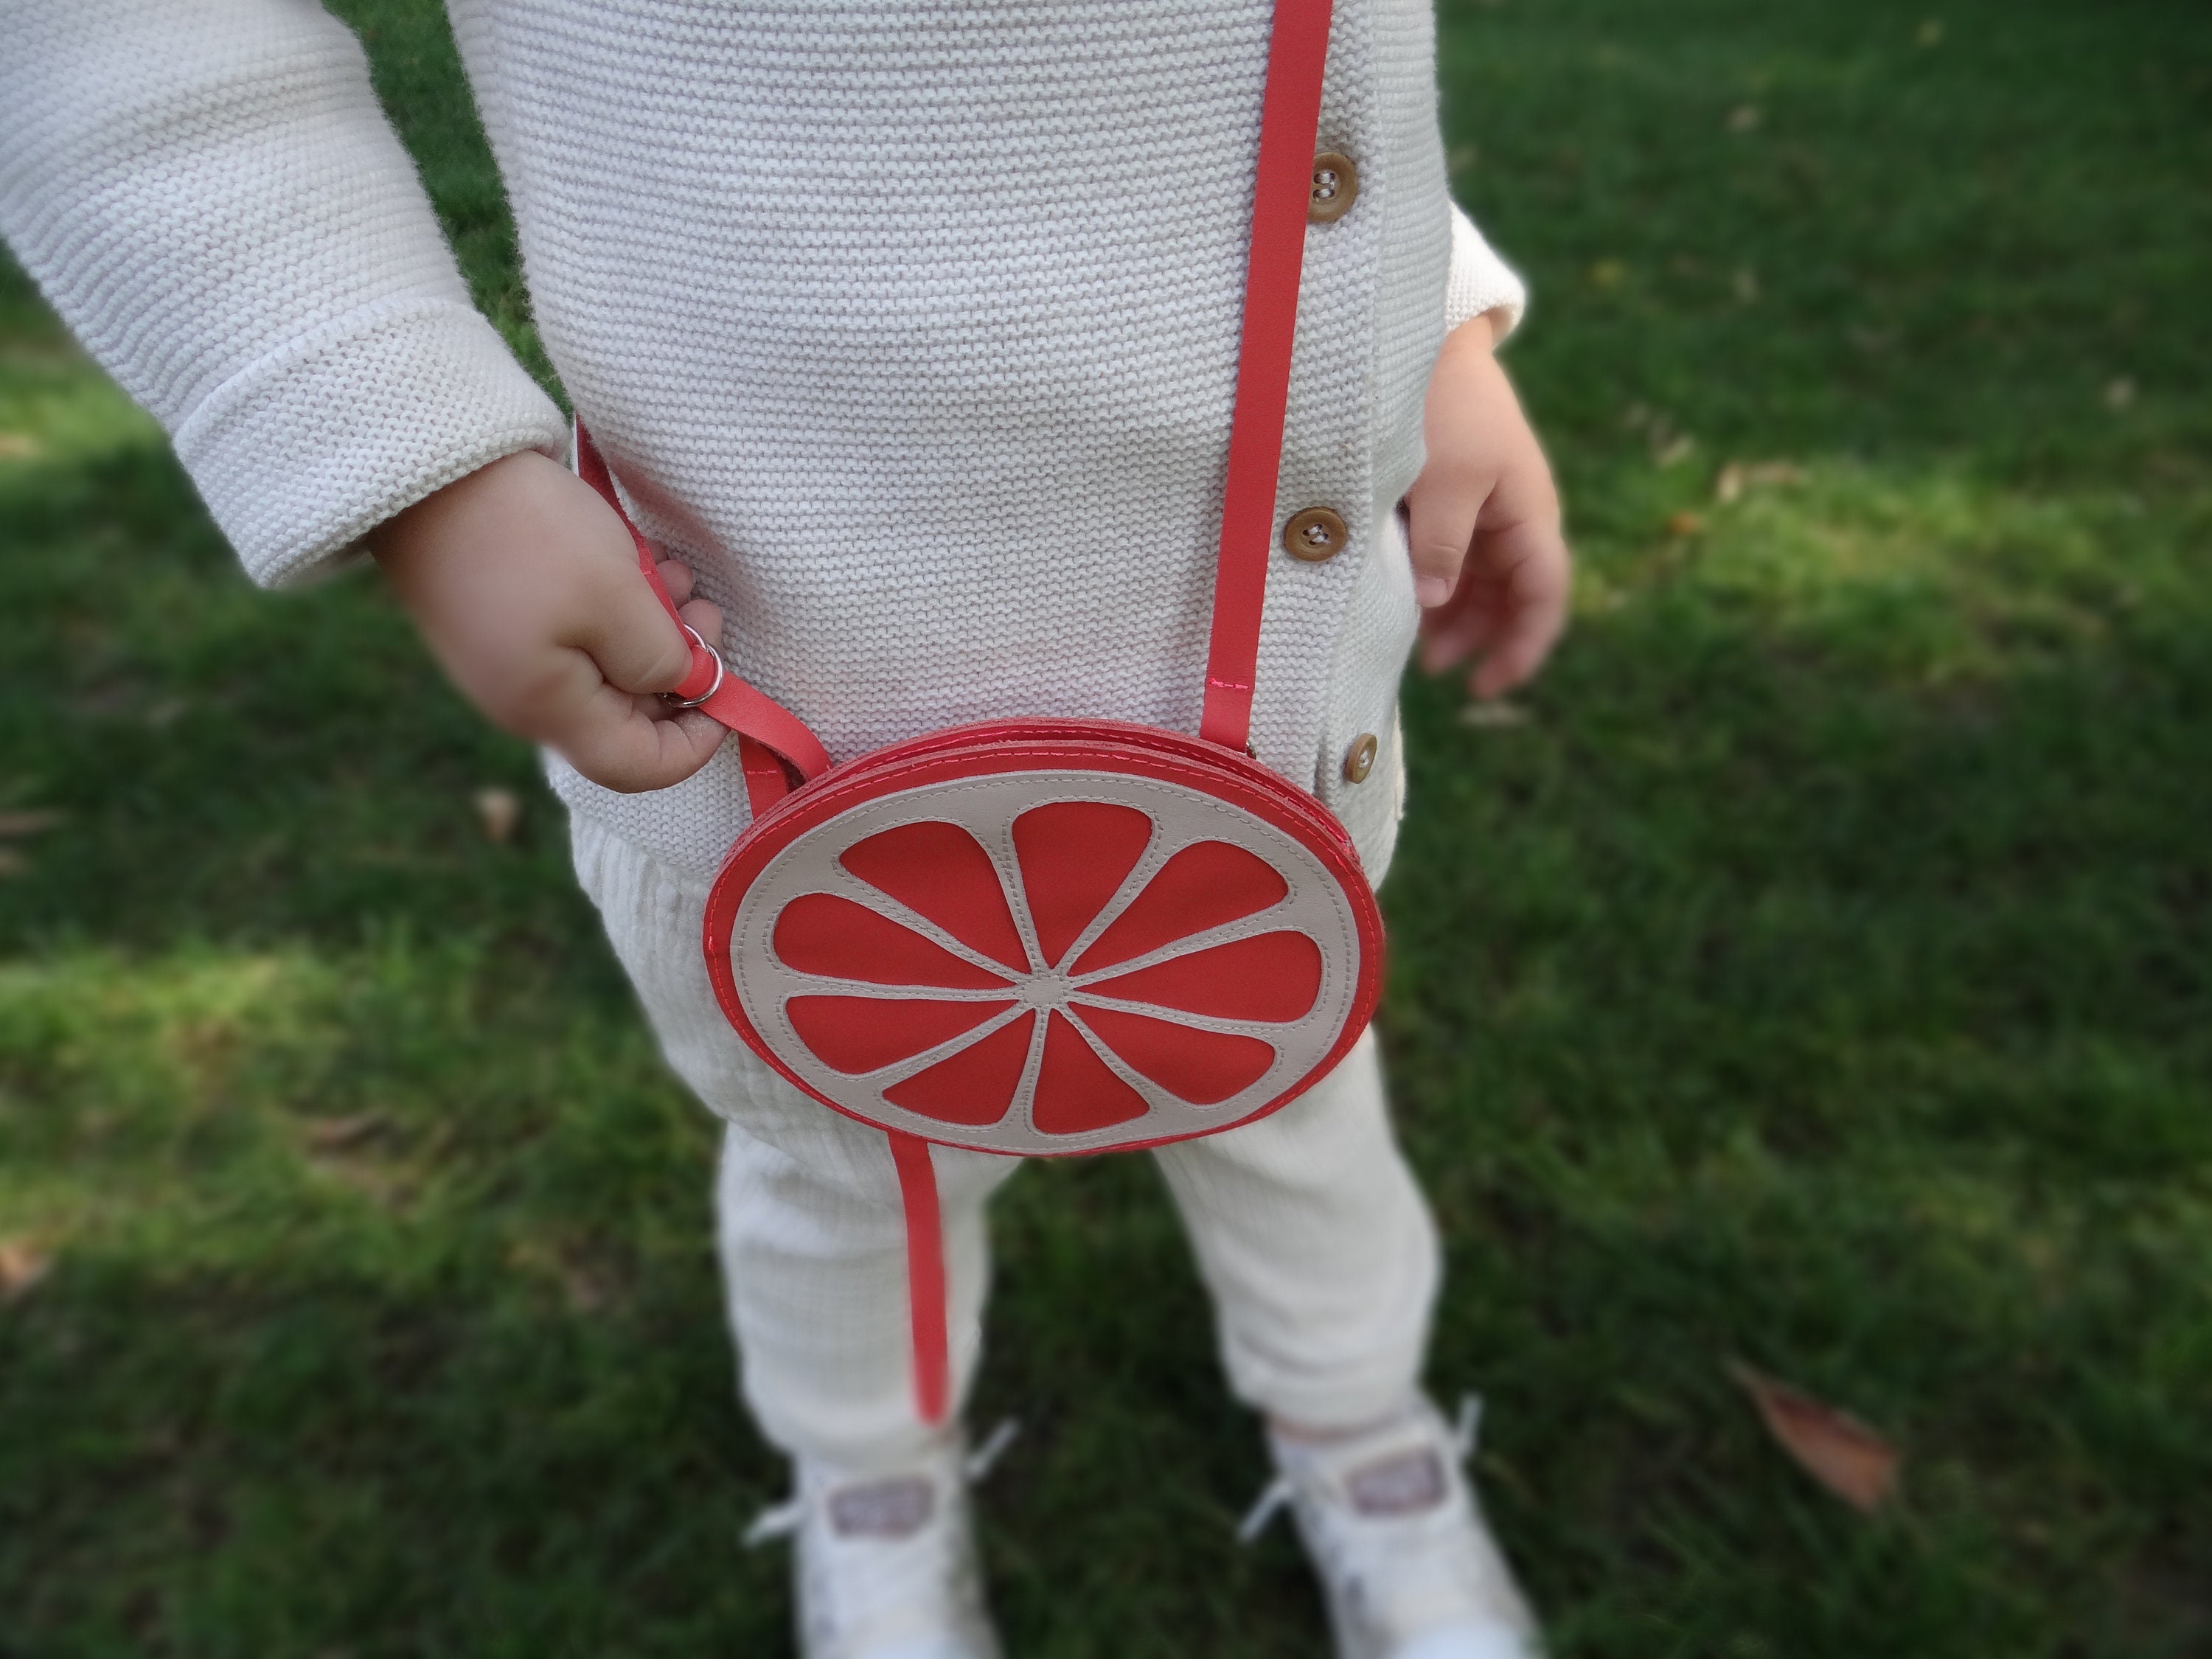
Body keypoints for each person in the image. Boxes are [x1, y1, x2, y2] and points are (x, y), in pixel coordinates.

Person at [1, 3, 1571, 1655]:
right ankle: (873, 1486)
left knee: (1293, 1090)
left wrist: (1435, 328)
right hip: (789, 734)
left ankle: (1358, 1428)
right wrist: (404, 452)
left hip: (1256, 718)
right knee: (851, 1169)